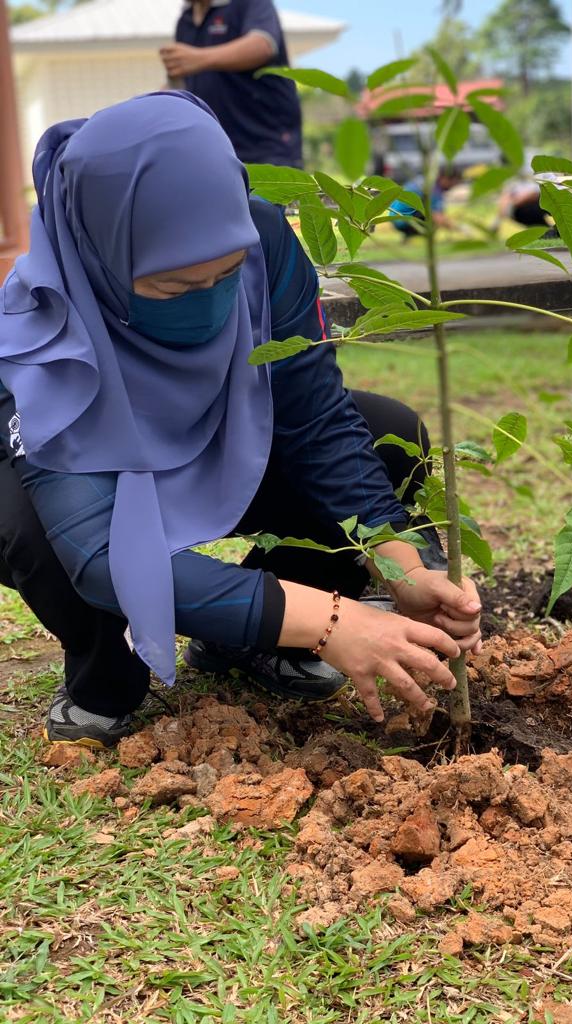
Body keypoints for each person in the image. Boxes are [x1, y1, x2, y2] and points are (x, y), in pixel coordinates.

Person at [0, 93, 482, 750]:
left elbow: (316, 420)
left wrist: (405, 570)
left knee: (385, 433)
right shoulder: (39, 330)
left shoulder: (262, 239)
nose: (212, 304)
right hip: (83, 491)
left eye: (226, 275)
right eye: (174, 288)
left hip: (213, 446)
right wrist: (329, 622)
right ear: (102, 256)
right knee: (42, 537)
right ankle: (104, 677)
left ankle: (243, 642)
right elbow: (104, 553)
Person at [160, 0, 302, 168]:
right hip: (216, 153)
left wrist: (199, 59)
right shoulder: (186, 20)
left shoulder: (249, 4)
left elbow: (263, 45)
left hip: (266, 147)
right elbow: (183, 84)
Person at [390, 170, 462, 241]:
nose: (453, 186)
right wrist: (459, 228)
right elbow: (438, 217)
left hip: (394, 216)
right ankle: (427, 241)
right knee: (433, 217)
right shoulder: (432, 188)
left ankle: (409, 238)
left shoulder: (425, 180)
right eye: (453, 182)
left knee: (431, 214)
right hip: (404, 220)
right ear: (444, 178)